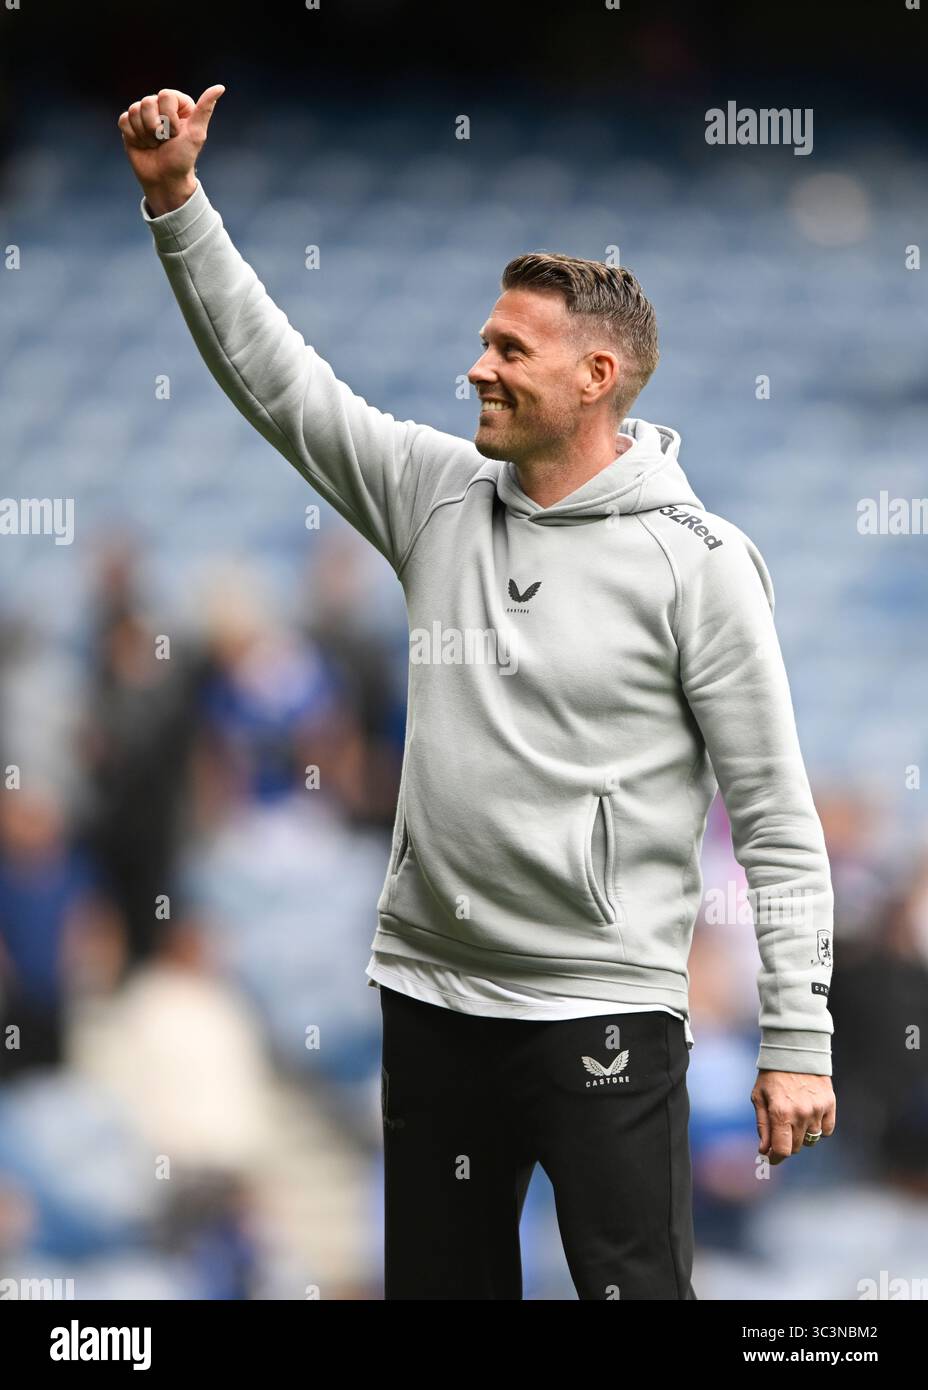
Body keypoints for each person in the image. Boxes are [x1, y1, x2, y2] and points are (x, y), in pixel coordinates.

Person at [118, 86, 837, 1300]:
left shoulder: (702, 565)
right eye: (483, 342)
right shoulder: (434, 494)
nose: (476, 367)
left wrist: (797, 1036)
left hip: (605, 1008)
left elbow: (773, 816)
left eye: (509, 351)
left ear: (596, 375)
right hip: (432, 998)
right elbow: (279, 383)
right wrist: (177, 202)